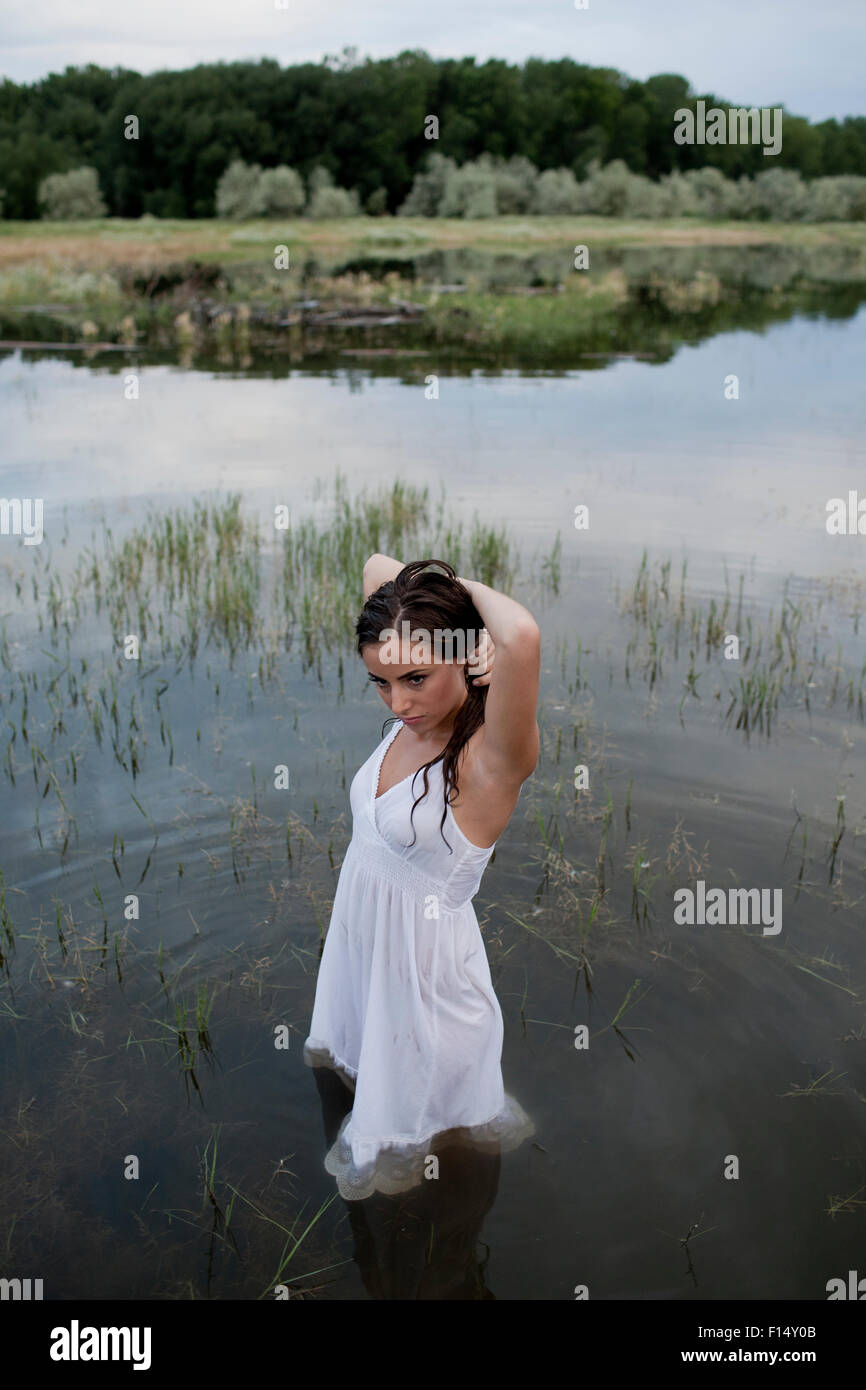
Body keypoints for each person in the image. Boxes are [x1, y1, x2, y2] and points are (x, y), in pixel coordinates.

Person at [303, 556, 539, 1201]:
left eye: (415, 678)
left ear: (462, 659)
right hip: (369, 965)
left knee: (427, 1188)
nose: (398, 702)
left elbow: (521, 636)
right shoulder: (414, 720)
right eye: (380, 682)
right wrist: (447, 619)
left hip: (427, 993)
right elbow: (379, 566)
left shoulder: (491, 757)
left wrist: (478, 634)